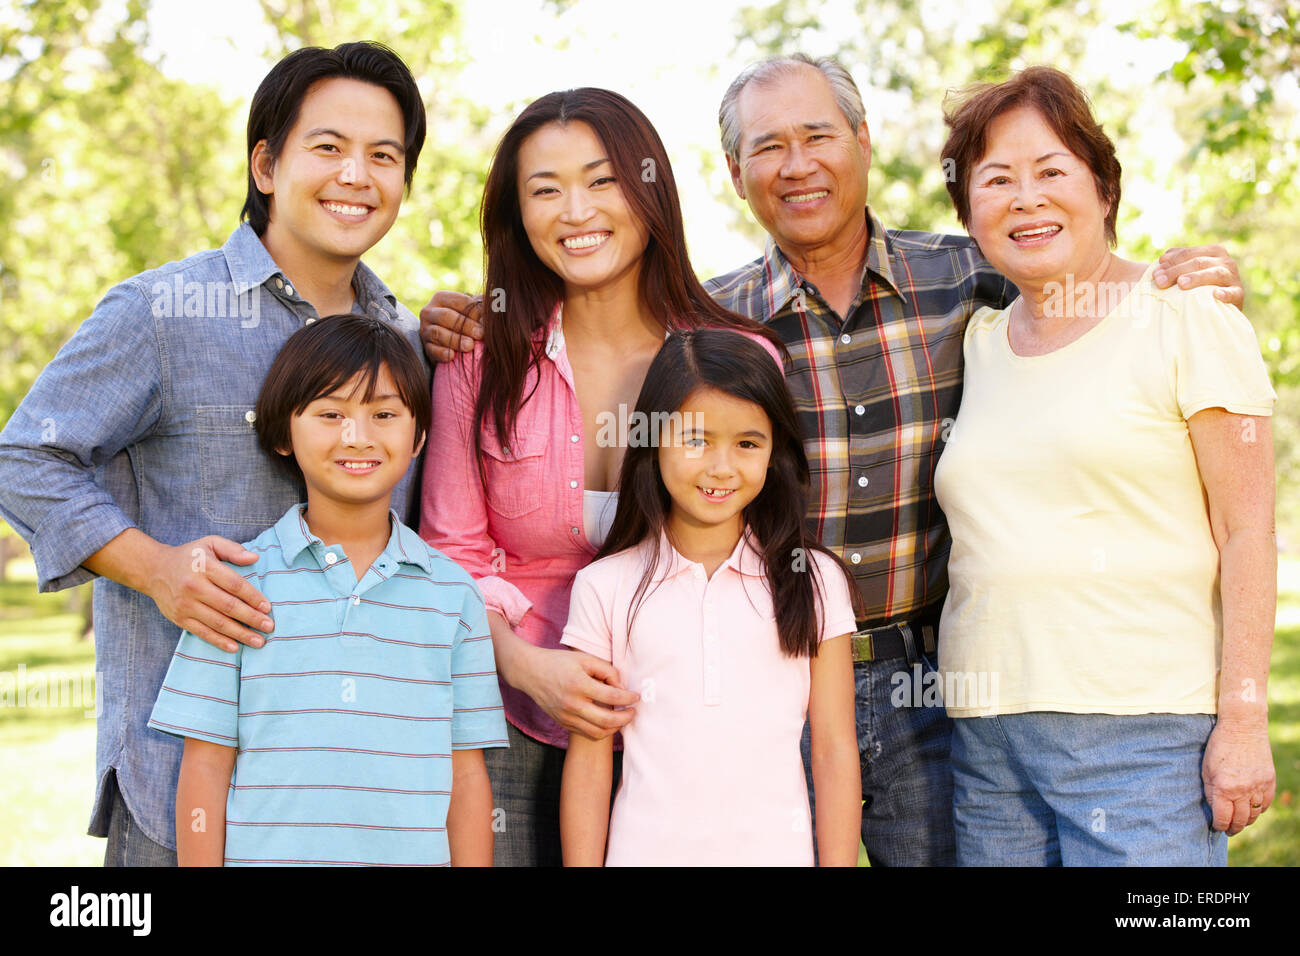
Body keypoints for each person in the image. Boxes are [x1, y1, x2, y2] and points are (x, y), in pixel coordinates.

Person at [419, 55, 1245, 866]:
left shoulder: (963, 279)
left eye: (818, 135)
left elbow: (1062, 265)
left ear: (863, 139)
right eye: (767, 147)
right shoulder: (719, 322)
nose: (798, 164)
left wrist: (1174, 278)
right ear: (736, 174)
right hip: (731, 685)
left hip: (928, 680)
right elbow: (461, 544)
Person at [0, 41, 428, 865]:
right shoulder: (162, 312)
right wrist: (155, 567)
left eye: (385, 155)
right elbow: (24, 456)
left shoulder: (405, 339)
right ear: (266, 165)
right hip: (183, 791)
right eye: (328, 147)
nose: (357, 176)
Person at [419, 87, 784, 866]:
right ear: (517, 216)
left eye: (601, 179)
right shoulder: (476, 363)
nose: (575, 211)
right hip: (507, 715)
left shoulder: (738, 360)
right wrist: (521, 664)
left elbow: (767, 549)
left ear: (646, 189)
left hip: (689, 722)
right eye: (544, 190)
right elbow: (450, 552)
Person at [934, 65, 1276, 866]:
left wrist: (1246, 719)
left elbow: (1248, 528)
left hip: (1145, 735)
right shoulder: (978, 342)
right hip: (986, 736)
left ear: (1104, 188)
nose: (1026, 198)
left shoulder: (1186, 316)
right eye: (996, 181)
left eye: (1052, 171)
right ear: (969, 213)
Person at [148, 315, 505, 866]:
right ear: (282, 434)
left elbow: (466, 773)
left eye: (384, 414)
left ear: (420, 437)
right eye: (330, 414)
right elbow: (205, 765)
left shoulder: (454, 596)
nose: (357, 436)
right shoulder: (236, 586)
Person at [559, 330, 860, 866]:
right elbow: (589, 762)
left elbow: (834, 750)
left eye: (748, 443)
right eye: (696, 439)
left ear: (775, 451)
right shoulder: (604, 586)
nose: (722, 467)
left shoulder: (813, 580)